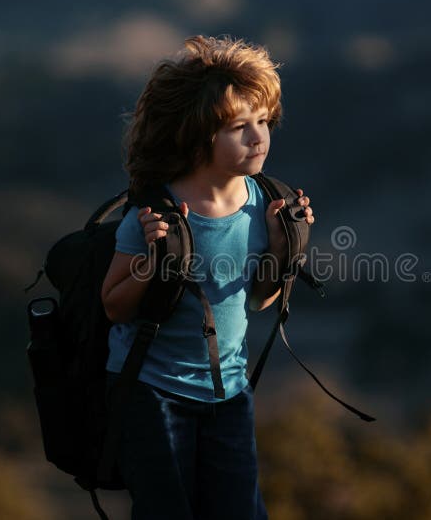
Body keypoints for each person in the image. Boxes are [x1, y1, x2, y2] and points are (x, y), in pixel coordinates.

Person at [100, 35, 315, 520]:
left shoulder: (264, 202)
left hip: (229, 392)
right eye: (240, 127)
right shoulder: (157, 211)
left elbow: (258, 301)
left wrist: (282, 252)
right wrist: (152, 265)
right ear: (199, 136)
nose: (259, 137)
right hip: (152, 392)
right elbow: (113, 304)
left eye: (263, 121)